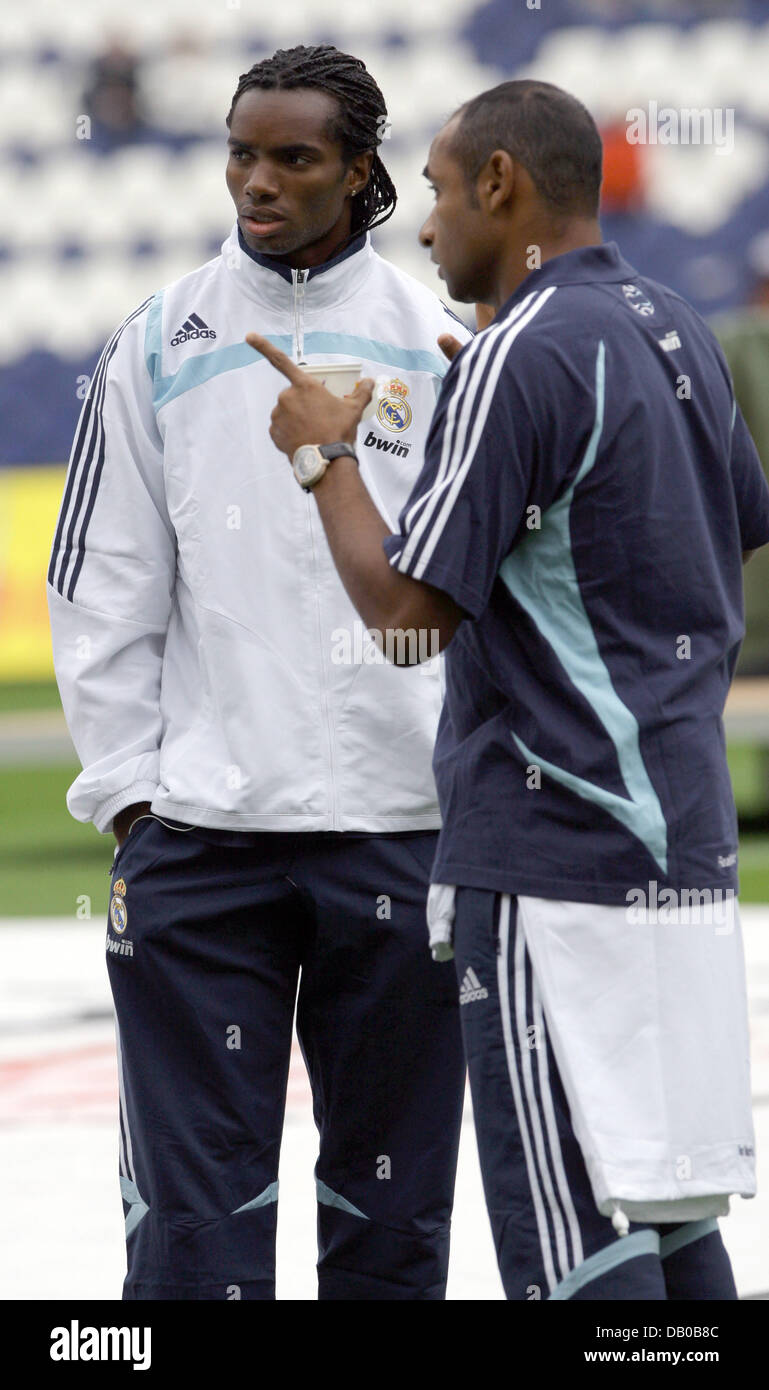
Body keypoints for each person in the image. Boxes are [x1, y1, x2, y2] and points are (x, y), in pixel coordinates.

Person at [253, 78, 769, 1301]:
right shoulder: (672, 322)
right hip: (683, 848)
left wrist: (324, 456)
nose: (425, 226)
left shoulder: (516, 356)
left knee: (573, 1243)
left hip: (548, 859)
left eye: (435, 191)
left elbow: (404, 620)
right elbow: (734, 520)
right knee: (670, 1221)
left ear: (500, 186)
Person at [48, 44, 468, 1302]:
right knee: (193, 1227)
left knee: (392, 1227)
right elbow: (100, 589)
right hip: (205, 842)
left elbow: (486, 592)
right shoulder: (158, 337)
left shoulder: (436, 341)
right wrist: (134, 801)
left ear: (360, 172)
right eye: (242, 152)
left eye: (294, 157)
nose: (259, 181)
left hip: (404, 835)